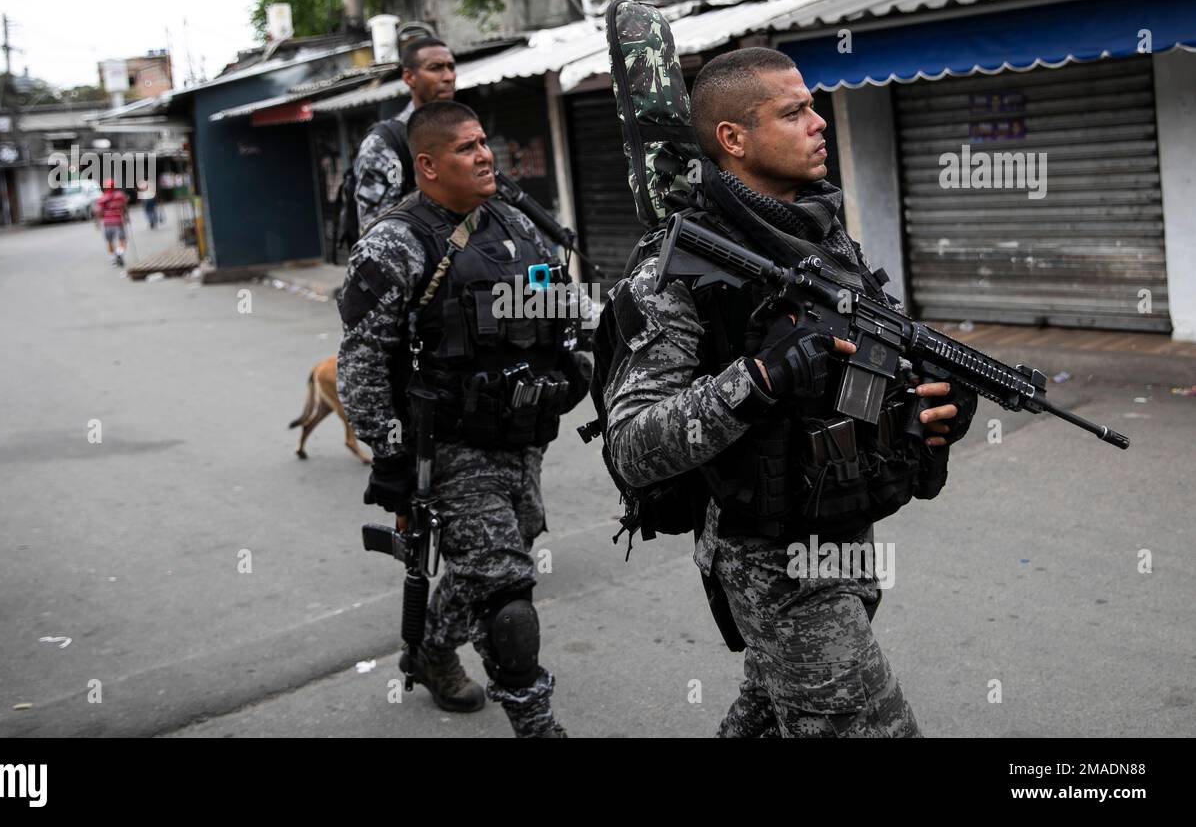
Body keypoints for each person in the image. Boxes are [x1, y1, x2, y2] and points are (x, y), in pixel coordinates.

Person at [602, 48, 978, 737]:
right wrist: (760, 378)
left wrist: (931, 407)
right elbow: (630, 445)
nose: (819, 123)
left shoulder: (820, 234)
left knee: (768, 720)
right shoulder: (676, 266)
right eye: (793, 111)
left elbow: (867, 374)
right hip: (769, 557)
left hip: (847, 526)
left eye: (813, 106)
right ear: (733, 139)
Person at [336, 101, 589, 737]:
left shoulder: (515, 225)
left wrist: (598, 343)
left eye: (484, 144)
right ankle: (538, 725)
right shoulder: (395, 243)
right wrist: (391, 463)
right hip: (447, 446)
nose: (484, 156)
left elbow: (565, 308)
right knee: (507, 593)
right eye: (466, 148)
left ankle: (430, 646)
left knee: (502, 552)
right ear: (426, 166)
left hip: (523, 433)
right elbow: (362, 367)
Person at [352, 36, 456, 231]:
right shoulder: (385, 143)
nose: (449, 76)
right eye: (436, 68)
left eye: (451, 67)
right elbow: (373, 227)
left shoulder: (463, 132)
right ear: (409, 77)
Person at [95, 179, 129, 266]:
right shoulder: (120, 195)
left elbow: (98, 211)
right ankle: (119, 253)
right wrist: (126, 217)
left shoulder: (102, 198)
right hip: (118, 221)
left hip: (107, 223)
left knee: (109, 241)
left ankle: (113, 258)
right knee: (122, 239)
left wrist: (98, 223)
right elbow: (124, 207)